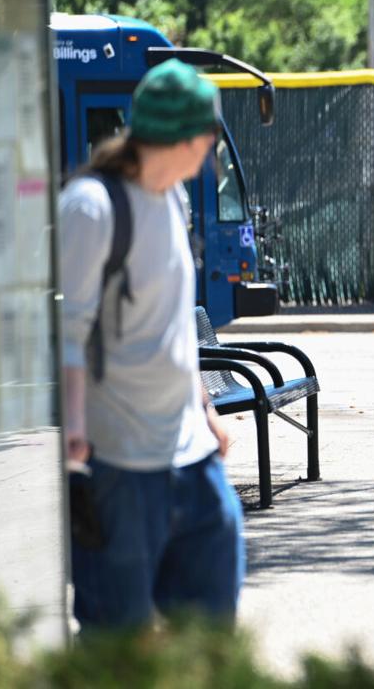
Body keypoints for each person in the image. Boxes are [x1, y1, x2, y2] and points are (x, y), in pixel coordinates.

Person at [60, 59, 243, 631]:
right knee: (118, 643)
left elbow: (176, 323)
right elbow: (68, 330)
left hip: (191, 455)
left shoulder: (173, 199)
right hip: (120, 464)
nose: (211, 153)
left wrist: (207, 411)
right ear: (186, 139)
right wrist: (74, 428)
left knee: (211, 629)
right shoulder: (92, 206)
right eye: (210, 139)